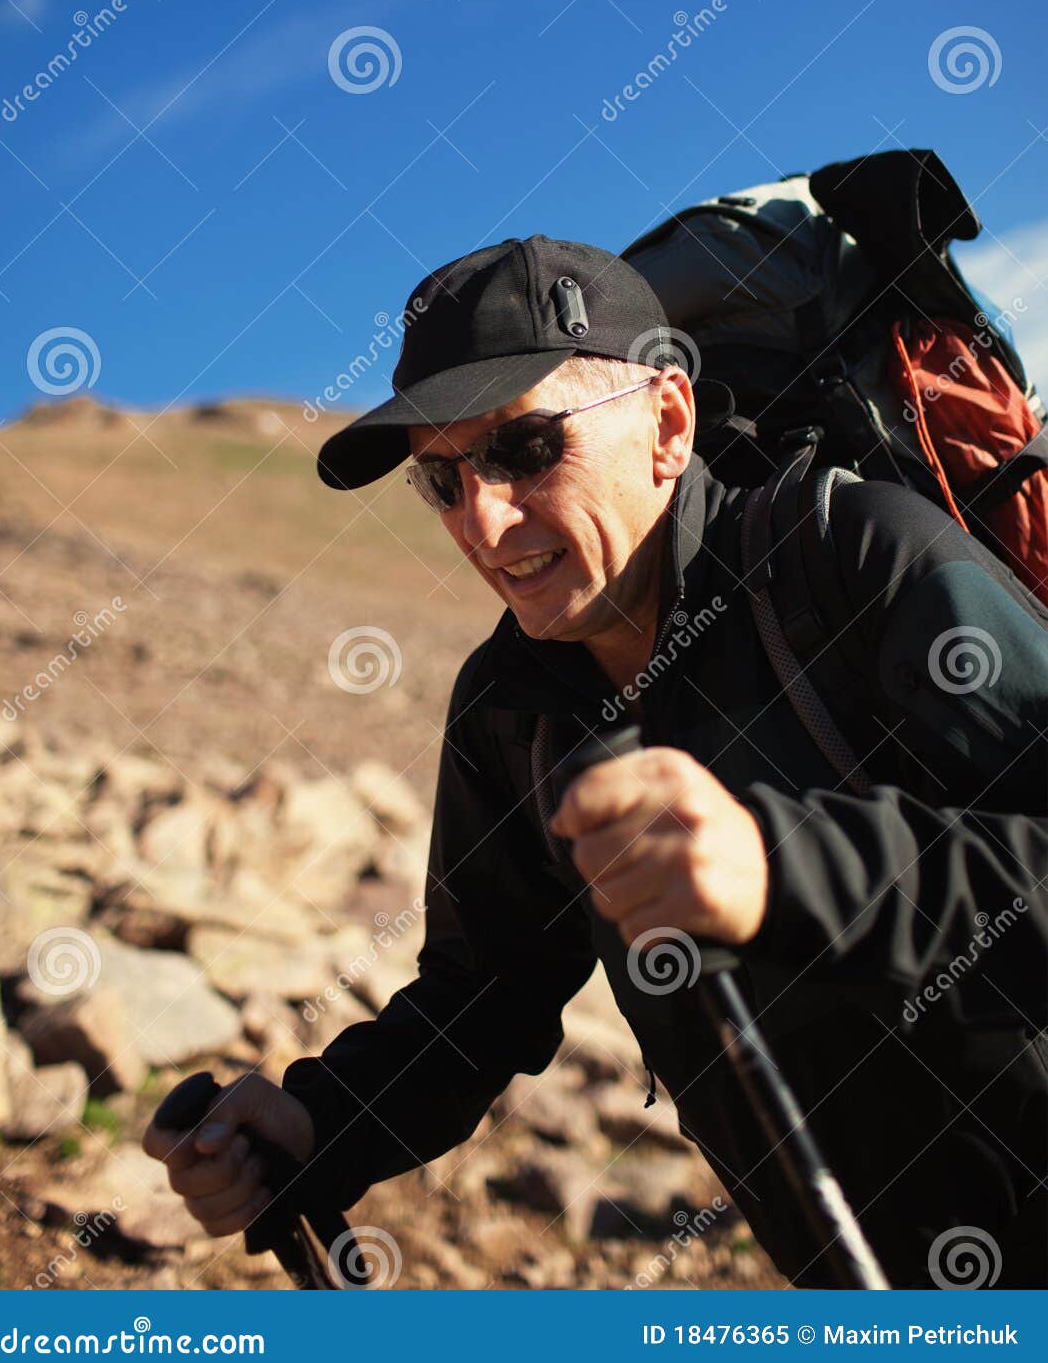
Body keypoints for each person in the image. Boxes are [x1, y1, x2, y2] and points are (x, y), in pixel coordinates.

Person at [145, 234, 1048, 1288]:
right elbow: (484, 996)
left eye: (525, 449)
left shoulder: (848, 557)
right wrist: (315, 1120)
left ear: (666, 422)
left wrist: (785, 865)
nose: (480, 520)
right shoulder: (510, 708)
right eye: (440, 479)